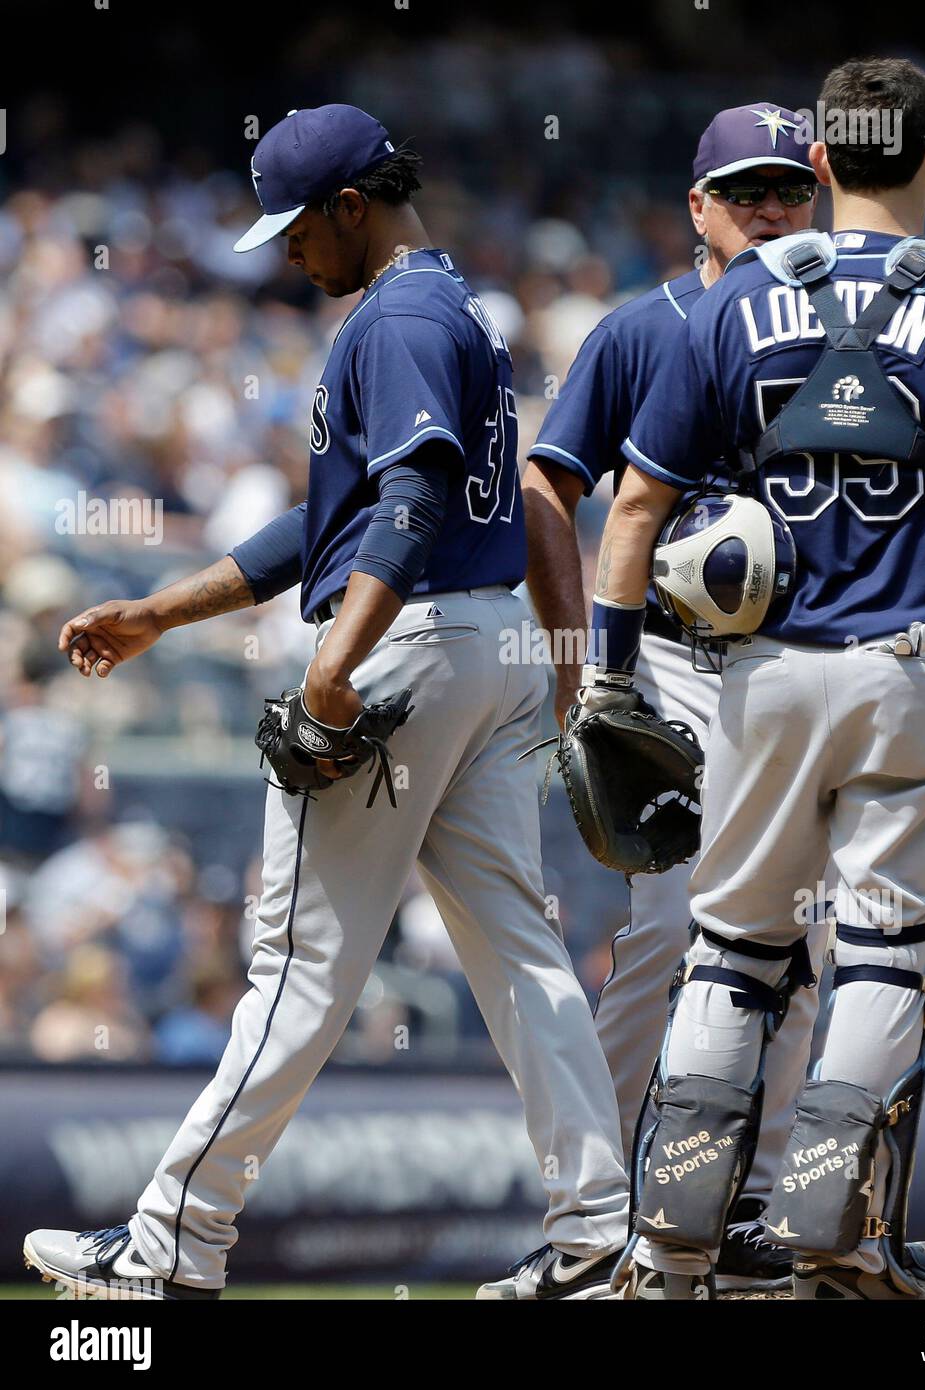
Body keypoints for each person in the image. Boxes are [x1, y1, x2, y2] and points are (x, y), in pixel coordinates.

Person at [23, 104, 630, 1302]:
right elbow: (329, 521)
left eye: (296, 228)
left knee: (298, 962)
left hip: (409, 647)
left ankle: (169, 1247)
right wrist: (160, 613)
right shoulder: (451, 304)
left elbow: (406, 499)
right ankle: (597, 1230)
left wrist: (334, 664)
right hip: (489, 644)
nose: (285, 254)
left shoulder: (396, 313)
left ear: (352, 205)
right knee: (517, 947)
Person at [578, 58, 925, 1299]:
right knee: (884, 950)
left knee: (733, 948)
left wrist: (609, 680)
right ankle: (834, 1236)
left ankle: (672, 1241)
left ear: (817, 171)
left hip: (758, 678)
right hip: (913, 669)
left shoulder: (731, 303)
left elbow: (633, 507)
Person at [519, 103, 826, 1293]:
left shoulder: (849, 331)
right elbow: (552, 483)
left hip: (805, 666)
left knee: (797, 937)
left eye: (789, 190)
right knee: (662, 937)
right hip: (679, 660)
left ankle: (749, 1205)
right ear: (695, 204)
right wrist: (589, 662)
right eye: (743, 189)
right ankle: (588, 1217)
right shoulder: (642, 328)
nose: (767, 209)